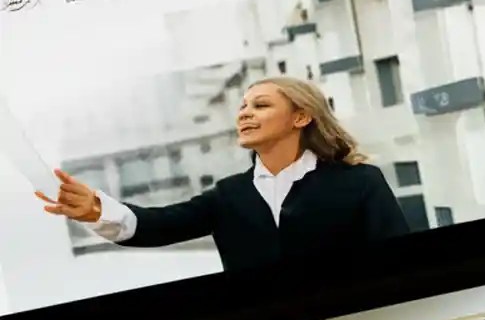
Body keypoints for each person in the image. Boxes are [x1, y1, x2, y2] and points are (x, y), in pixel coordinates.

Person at [36, 76, 411, 273]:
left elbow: (399, 264)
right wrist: (96, 210)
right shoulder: (228, 196)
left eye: (261, 105)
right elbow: (158, 224)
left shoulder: (361, 182)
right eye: (243, 106)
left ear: (301, 117)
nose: (244, 113)